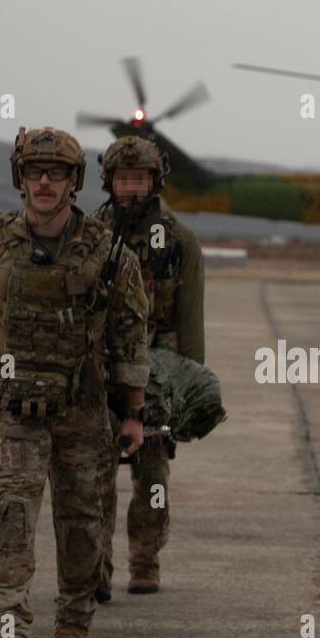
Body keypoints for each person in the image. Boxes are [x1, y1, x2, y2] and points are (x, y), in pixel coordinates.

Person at [0, 126, 149, 638]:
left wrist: (133, 413)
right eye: (34, 171)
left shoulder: (109, 254)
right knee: (11, 515)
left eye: (55, 172)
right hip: (14, 407)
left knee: (83, 523)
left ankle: (75, 617)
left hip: (84, 406)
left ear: (73, 182)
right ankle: (9, 629)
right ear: (19, 177)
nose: (43, 181)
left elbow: (130, 338)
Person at [92, 136, 205, 596]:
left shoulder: (179, 241)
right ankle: (94, 565)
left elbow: (191, 318)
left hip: (157, 371)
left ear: (155, 182)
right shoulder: (90, 234)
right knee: (91, 474)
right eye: (123, 179)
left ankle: (145, 560)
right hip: (99, 371)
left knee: (152, 475)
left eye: (140, 179)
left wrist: (191, 382)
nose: (131, 188)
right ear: (109, 183)